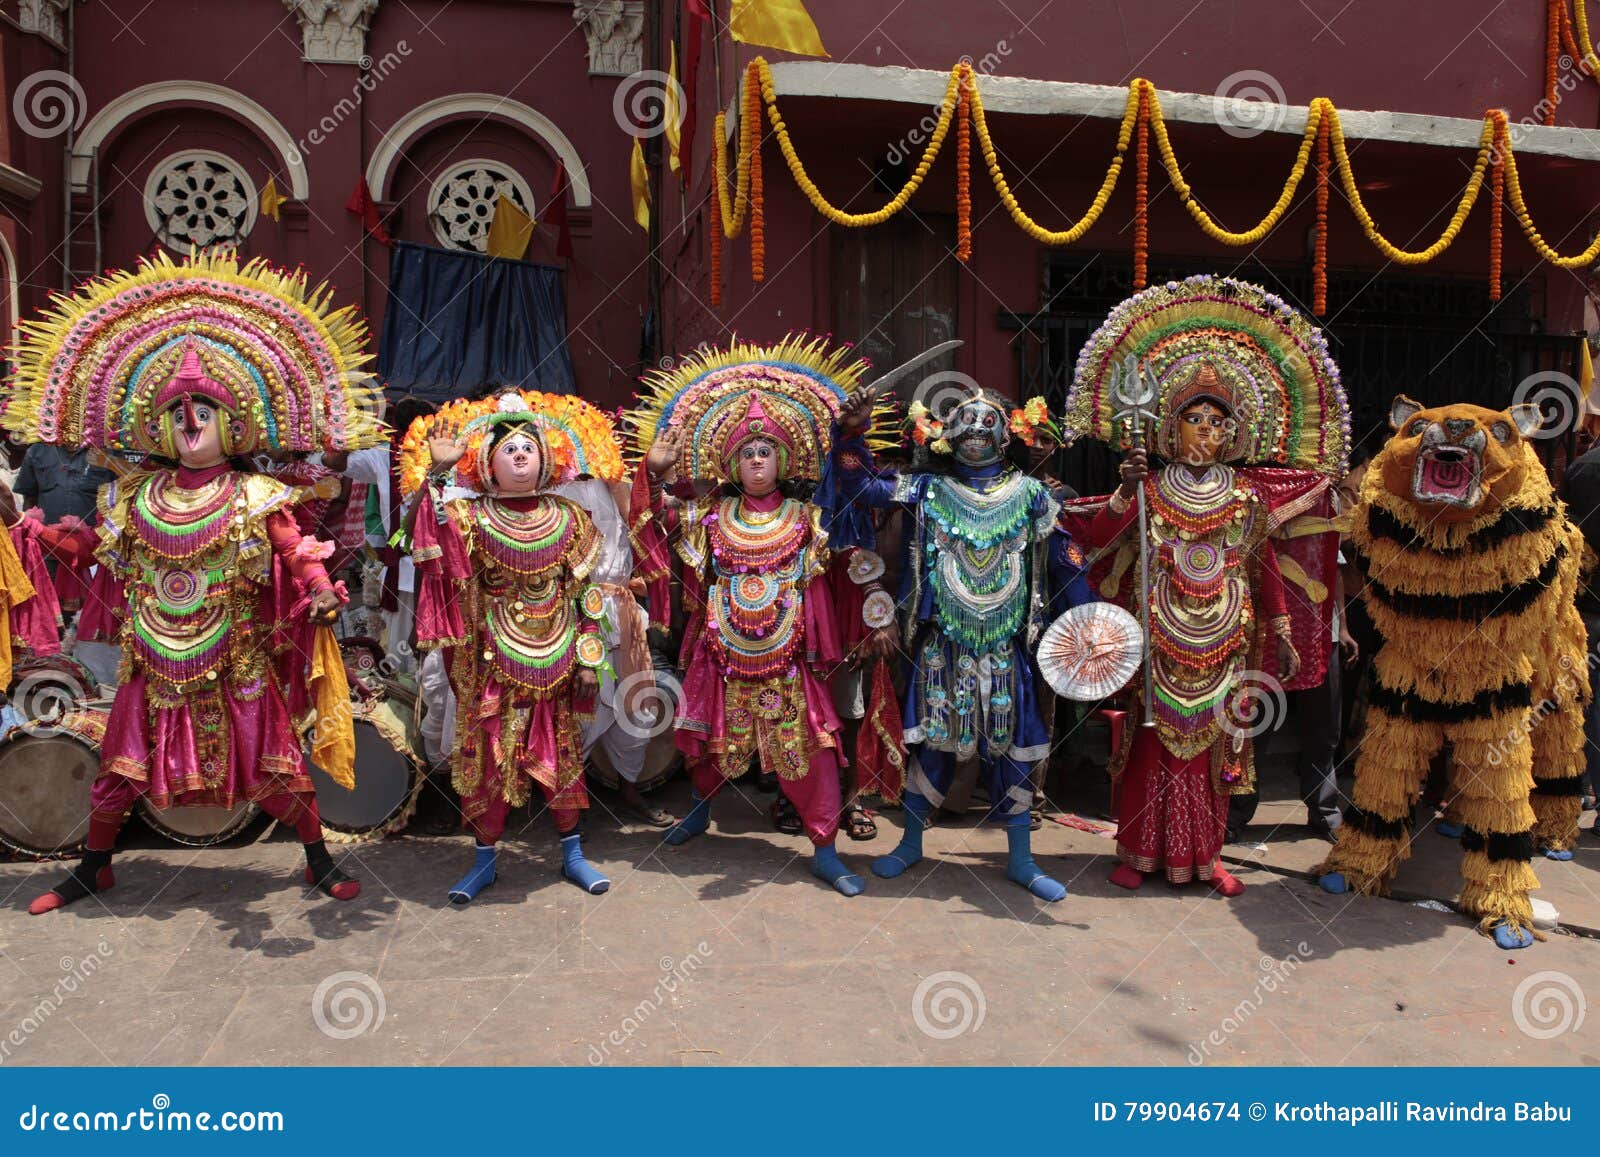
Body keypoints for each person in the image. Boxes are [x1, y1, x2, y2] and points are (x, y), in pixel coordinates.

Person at [10, 252, 382, 913]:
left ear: (233, 423)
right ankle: (92, 868)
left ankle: (318, 861)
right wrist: (40, 532)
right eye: (176, 411)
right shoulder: (137, 494)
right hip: (150, 658)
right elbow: (99, 549)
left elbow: (296, 549)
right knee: (118, 769)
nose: (189, 423)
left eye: (202, 410)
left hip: (234, 655)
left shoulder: (256, 492)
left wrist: (321, 589)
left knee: (279, 766)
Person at [1058, 277, 1347, 897]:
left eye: (1219, 423)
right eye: (1195, 420)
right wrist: (1122, 488)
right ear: (1168, 428)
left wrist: (1286, 633)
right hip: (1160, 639)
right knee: (1150, 747)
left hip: (1226, 640)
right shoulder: (1150, 489)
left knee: (1218, 753)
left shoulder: (1244, 497)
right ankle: (1140, 854)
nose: (1208, 433)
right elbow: (1102, 533)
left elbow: (1265, 568)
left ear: (1235, 433)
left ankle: (1205, 856)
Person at [633, 339, 887, 896]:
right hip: (722, 652)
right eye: (745, 451)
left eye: (764, 450)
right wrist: (653, 477)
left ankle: (824, 849)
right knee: (707, 742)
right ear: (729, 461)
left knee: (812, 750)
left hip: (787, 656)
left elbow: (855, 500)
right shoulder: (708, 514)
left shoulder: (810, 516)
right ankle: (699, 812)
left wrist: (851, 437)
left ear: (782, 460)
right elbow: (651, 528)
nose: (754, 459)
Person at [835, 387, 1075, 902]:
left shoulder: (1034, 496)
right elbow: (858, 483)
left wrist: (1089, 618)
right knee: (928, 741)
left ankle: (1021, 860)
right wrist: (850, 433)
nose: (975, 432)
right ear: (946, 436)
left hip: (1010, 645)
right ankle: (911, 843)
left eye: (987, 425)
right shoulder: (925, 489)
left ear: (1005, 435)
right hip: (941, 643)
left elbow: (1064, 562)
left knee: (1014, 746)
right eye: (965, 425)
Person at [412, 396, 611, 902]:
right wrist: (435, 473)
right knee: (487, 763)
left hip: (560, 659)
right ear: (486, 463)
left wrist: (590, 655)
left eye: (529, 446)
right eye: (509, 449)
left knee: (563, 758)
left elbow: (588, 594)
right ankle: (484, 862)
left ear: (548, 457)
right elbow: (426, 539)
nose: (520, 455)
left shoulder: (570, 517)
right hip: (492, 664)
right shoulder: (468, 518)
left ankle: (572, 854)